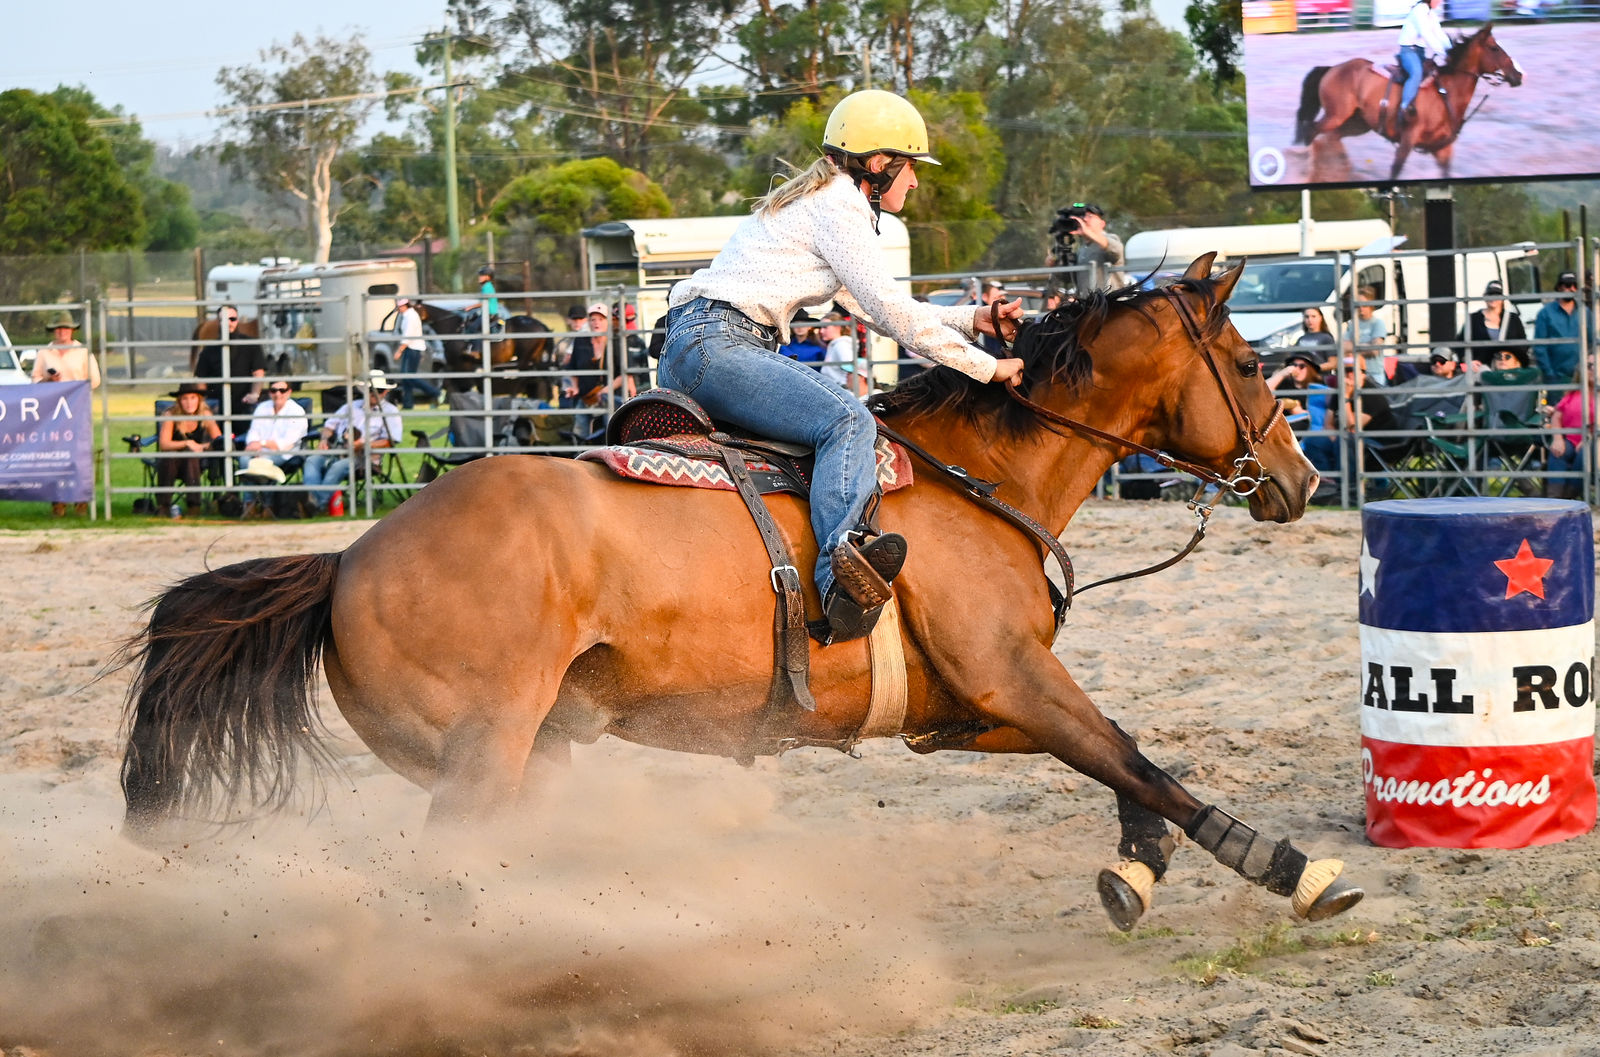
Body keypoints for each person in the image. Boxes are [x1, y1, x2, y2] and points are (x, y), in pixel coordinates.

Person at [657, 88, 1024, 642]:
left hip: (698, 346)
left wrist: (975, 320)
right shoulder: (840, 206)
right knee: (849, 420)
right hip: (723, 346)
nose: (916, 182)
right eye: (912, 169)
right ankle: (839, 578)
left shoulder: (822, 201)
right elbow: (889, 310)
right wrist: (985, 368)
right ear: (880, 164)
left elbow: (870, 307)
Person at [303, 372, 404, 512]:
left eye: (379, 391)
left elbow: (390, 441)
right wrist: (324, 440)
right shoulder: (351, 406)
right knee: (312, 460)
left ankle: (315, 505)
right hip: (337, 449)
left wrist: (363, 444)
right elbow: (329, 425)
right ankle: (310, 500)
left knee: (337, 467)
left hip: (365, 457)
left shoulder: (390, 412)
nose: (374, 394)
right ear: (364, 391)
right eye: (371, 391)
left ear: (385, 392)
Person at [237, 380, 308, 515]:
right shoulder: (262, 408)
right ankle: (250, 503)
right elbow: (253, 432)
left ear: (289, 392)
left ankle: (267, 506)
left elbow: (287, 442)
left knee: (263, 463)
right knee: (244, 460)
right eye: (274, 390)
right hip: (259, 450)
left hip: (285, 453)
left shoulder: (296, 411)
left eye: (282, 390)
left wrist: (262, 444)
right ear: (269, 393)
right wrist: (254, 447)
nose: (278, 394)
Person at [194, 305, 265, 437]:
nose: (228, 323)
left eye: (232, 319)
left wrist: (254, 394)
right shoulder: (209, 350)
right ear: (218, 322)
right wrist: (203, 403)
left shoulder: (251, 345)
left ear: (237, 320)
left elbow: (258, 373)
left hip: (243, 404)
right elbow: (200, 379)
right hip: (216, 406)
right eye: (224, 319)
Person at [155, 383, 222, 517]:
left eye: (193, 398)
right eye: (185, 399)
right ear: (179, 401)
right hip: (172, 462)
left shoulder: (205, 414)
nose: (189, 403)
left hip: (195, 464)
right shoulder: (171, 415)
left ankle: (194, 506)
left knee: (191, 456)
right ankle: (164, 506)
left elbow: (219, 441)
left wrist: (201, 447)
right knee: (170, 458)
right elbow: (164, 444)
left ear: (199, 400)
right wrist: (187, 443)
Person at [1532, 271, 1595, 383]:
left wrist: (1589, 368)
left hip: (1581, 377)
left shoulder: (1585, 312)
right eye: (1567, 285)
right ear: (1560, 287)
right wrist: (1549, 373)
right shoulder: (1545, 313)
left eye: (1575, 285)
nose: (1571, 289)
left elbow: (1591, 342)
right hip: (1556, 377)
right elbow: (1539, 347)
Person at [1396, 0, 1451, 128]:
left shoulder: (1431, 14)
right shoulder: (1419, 11)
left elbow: (1439, 34)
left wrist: (1451, 49)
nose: (1440, 2)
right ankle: (1404, 108)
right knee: (1416, 73)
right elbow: (1427, 34)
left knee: (1434, 74)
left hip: (1420, 52)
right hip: (1408, 51)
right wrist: (1443, 53)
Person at [1456, 280, 1528, 366]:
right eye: (1490, 294)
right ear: (1484, 297)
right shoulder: (1473, 319)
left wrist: (1516, 360)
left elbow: (1523, 343)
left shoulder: (1513, 319)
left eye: (1497, 295)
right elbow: (1460, 343)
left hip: (1508, 367)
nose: (1493, 298)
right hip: (1481, 367)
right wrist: (1468, 361)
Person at [394, 295, 441, 410]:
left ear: (405, 306)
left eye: (400, 307)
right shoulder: (408, 316)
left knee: (409, 377)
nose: (399, 309)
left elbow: (408, 336)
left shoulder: (410, 316)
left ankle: (435, 392)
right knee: (406, 378)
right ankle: (408, 404)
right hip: (412, 348)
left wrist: (399, 350)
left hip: (412, 348)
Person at [31, 312, 101, 389]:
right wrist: (48, 381)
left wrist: (78, 390)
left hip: (77, 399)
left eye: (66, 327)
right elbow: (35, 379)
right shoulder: (43, 352)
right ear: (53, 330)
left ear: (72, 330)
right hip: (52, 399)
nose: (62, 331)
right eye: (58, 328)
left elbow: (95, 380)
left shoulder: (83, 351)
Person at [817, 310, 866, 395]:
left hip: (840, 393)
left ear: (838, 327)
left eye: (825, 327)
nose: (821, 331)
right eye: (821, 328)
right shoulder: (835, 344)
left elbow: (850, 369)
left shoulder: (841, 345)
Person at [979, 279, 1008, 356]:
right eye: (997, 298)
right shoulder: (980, 316)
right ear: (984, 297)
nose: (1002, 301)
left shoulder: (998, 313)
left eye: (1003, 296)